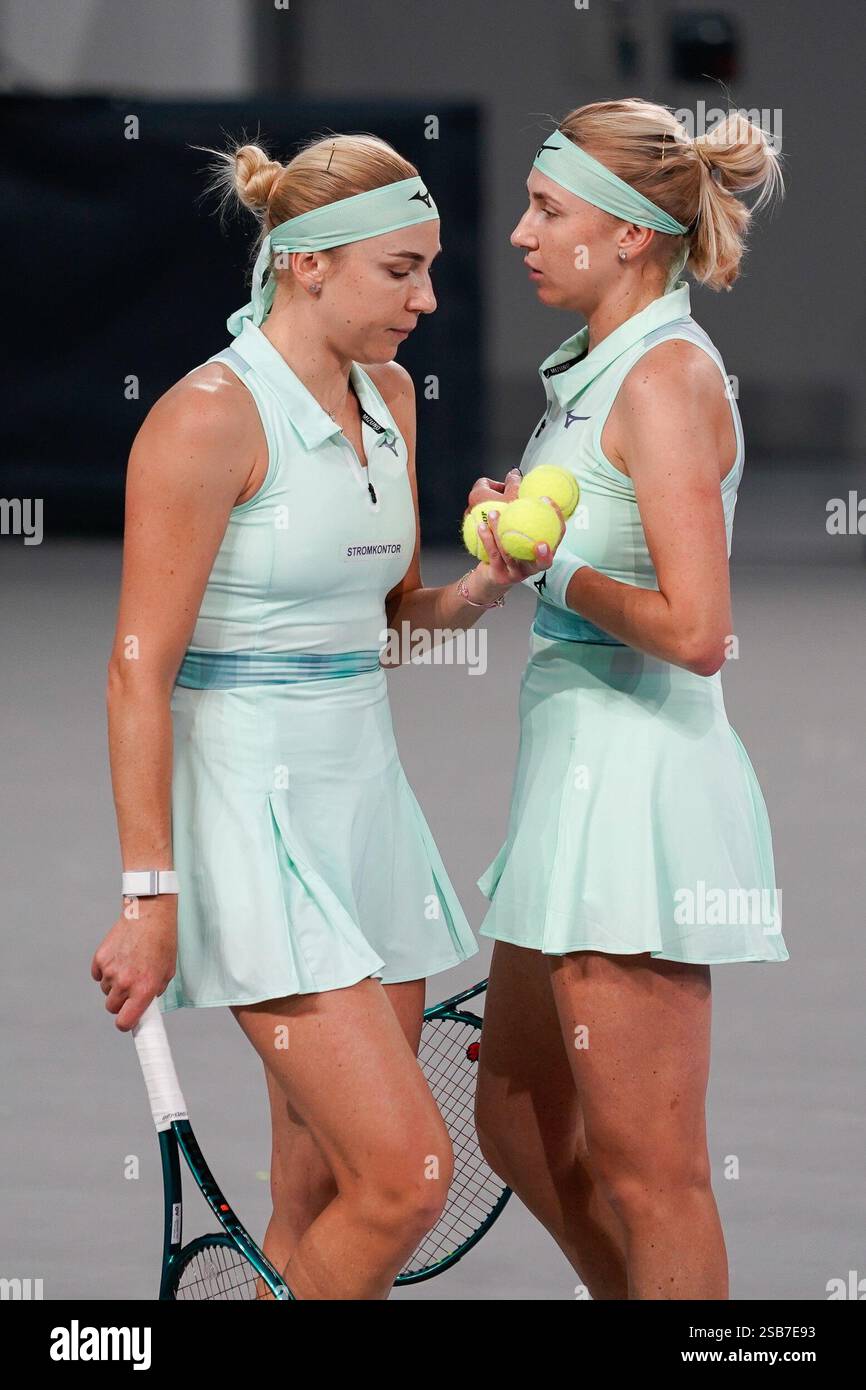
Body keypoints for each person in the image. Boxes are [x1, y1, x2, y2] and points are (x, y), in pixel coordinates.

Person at [91, 132, 557, 1299]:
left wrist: (487, 583)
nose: (428, 297)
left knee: (316, 1194)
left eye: (430, 267)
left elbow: (388, 624)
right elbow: (135, 669)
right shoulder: (206, 418)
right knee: (404, 1177)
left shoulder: (390, 398)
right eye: (400, 269)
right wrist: (149, 896)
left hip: (366, 818)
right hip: (251, 826)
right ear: (306, 263)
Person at [466, 100, 789, 1300]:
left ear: (631, 237)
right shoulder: (600, 374)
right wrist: (523, 537)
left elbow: (697, 633)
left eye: (547, 212)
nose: (518, 234)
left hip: (638, 801)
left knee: (654, 1175)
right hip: (570, 783)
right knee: (512, 1113)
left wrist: (550, 564)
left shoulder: (658, 381)